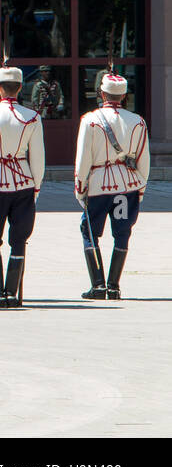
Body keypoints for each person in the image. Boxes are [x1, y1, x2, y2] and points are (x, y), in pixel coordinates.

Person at [0, 65, 45, 308]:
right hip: (23, 182)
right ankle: (12, 293)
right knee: (19, 239)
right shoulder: (32, 117)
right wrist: (36, 187)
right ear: (21, 87)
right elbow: (38, 159)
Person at [74, 72, 149, 301]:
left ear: (101, 92)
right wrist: (141, 188)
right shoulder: (138, 120)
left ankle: (97, 285)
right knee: (122, 233)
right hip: (128, 184)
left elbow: (83, 158)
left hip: (98, 184)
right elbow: (144, 160)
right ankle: (114, 285)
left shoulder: (90, 119)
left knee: (90, 232)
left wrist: (80, 187)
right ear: (124, 94)